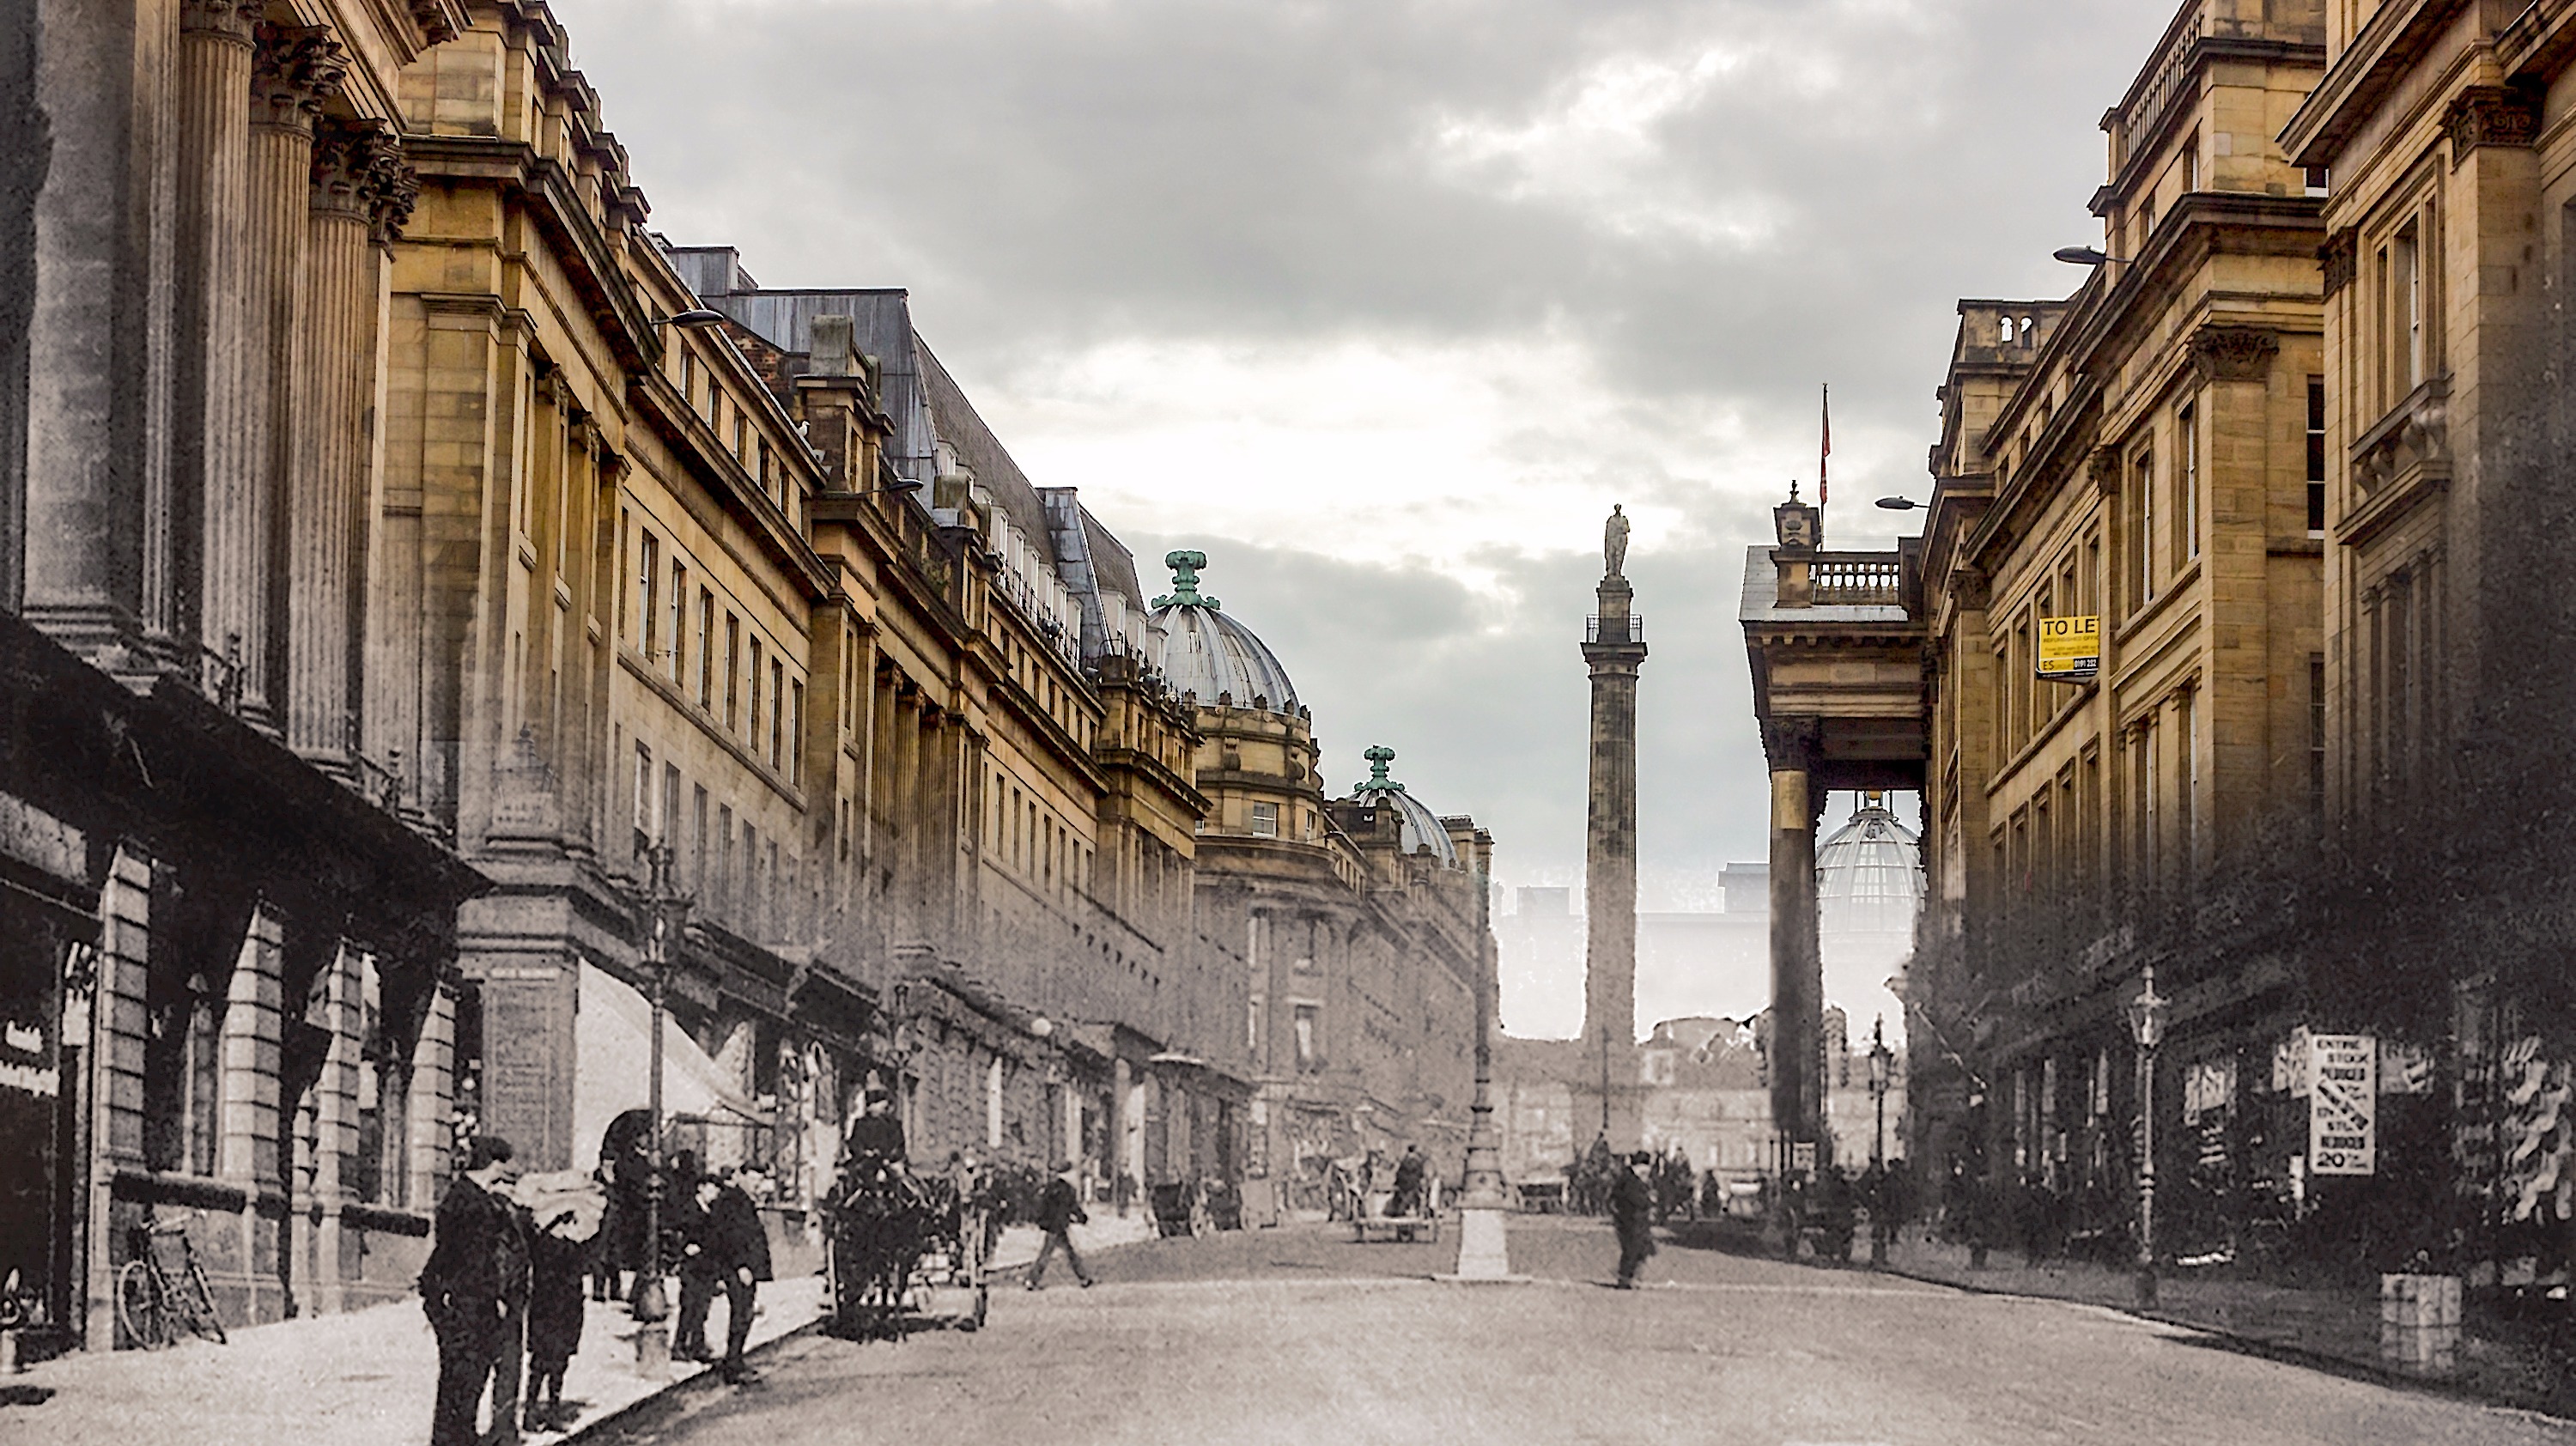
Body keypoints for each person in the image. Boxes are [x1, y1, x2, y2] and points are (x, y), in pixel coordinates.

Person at [422, 1136, 532, 1446]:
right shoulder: (475, 1205)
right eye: (505, 1162)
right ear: (494, 1163)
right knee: (465, 1386)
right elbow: (474, 1263)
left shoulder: (464, 1196)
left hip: (460, 1306)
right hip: (469, 1309)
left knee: (458, 1388)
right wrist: (491, 1299)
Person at [675, 1168, 773, 1386]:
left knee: (744, 1315)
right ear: (742, 1177)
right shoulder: (734, 1201)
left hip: (743, 1268)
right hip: (739, 1269)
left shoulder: (741, 1199)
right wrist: (741, 1266)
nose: (757, 1184)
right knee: (741, 1315)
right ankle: (734, 1365)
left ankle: (735, 1361)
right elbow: (730, 1236)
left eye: (760, 1180)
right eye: (754, 1180)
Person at [521, 1206, 586, 1434]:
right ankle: (539, 1411)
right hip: (553, 1315)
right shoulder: (550, 1247)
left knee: (553, 1365)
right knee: (545, 1365)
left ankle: (545, 1410)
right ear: (563, 1224)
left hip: (559, 1315)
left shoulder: (560, 1246)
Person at [1025, 1160, 1094, 1291]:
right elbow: (1073, 1206)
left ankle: (1083, 1278)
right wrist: (1082, 1218)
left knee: (1069, 1253)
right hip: (1057, 1226)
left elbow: (1042, 1207)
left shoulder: (1049, 1188)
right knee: (1048, 1254)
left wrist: (1041, 1222)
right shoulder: (1066, 1189)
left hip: (1055, 1225)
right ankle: (1032, 1280)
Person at [1610, 1150, 1657, 1290]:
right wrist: (1649, 1201)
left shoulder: (1631, 1178)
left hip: (1635, 1220)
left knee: (1640, 1249)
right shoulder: (1630, 1180)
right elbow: (1634, 1199)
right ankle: (1626, 1279)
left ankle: (1632, 1278)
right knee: (1633, 1250)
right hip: (1631, 1220)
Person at [1389, 1145, 1427, 1219]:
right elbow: (1419, 1174)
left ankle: (1400, 1212)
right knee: (1415, 1198)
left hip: (1403, 1184)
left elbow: (1399, 1173)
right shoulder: (1417, 1161)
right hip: (1413, 1185)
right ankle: (1417, 1213)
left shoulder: (1404, 1160)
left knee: (1402, 1200)